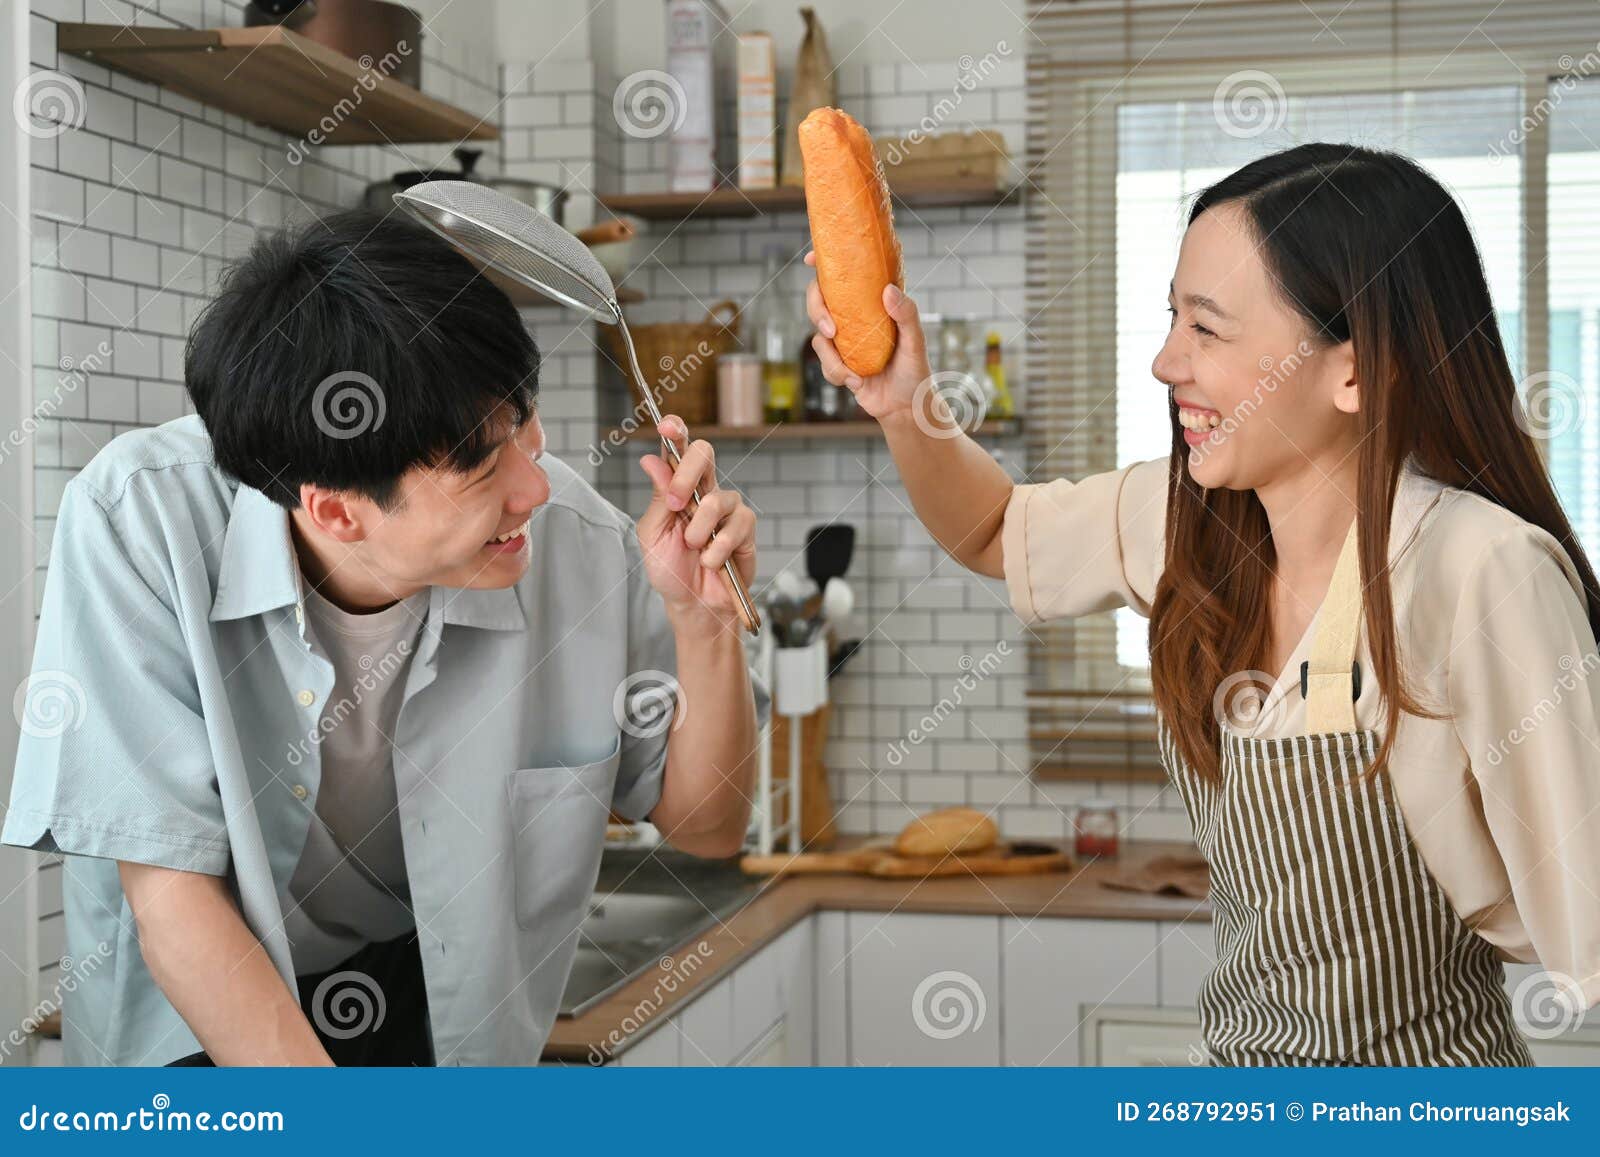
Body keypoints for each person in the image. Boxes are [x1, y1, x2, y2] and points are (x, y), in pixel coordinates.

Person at [805, 143, 1600, 1065]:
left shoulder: (1482, 571)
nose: (1162, 360)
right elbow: (993, 529)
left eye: (1207, 330)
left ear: (1354, 369)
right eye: (1170, 319)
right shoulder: (1189, 520)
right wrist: (905, 406)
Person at [4, 210, 766, 1066]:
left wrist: (701, 622)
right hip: (198, 1005)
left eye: (527, 424)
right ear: (333, 507)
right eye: (482, 468)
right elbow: (171, 900)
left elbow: (708, 829)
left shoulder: (579, 543)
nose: (534, 489)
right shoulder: (136, 522)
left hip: (430, 995)